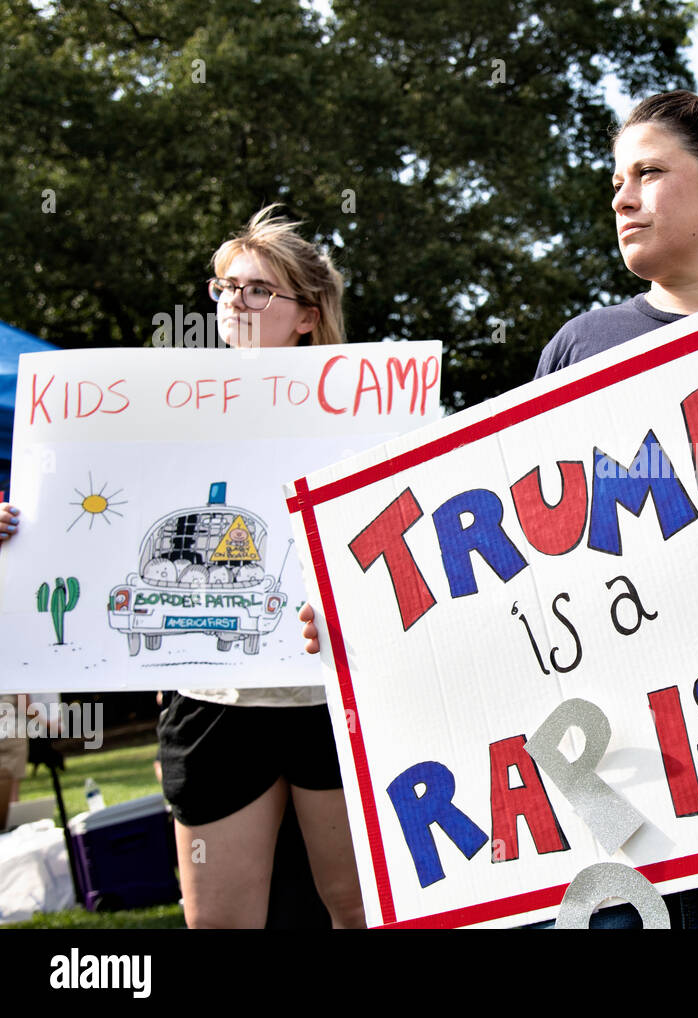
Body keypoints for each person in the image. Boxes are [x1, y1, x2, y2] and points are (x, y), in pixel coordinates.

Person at [300, 92, 698, 927]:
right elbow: (510, 568)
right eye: (616, 180)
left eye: (648, 173)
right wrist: (362, 617)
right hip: (622, 793)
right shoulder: (580, 349)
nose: (621, 198)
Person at [152, 208, 363, 928]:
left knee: (360, 910)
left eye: (255, 290)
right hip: (216, 700)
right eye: (222, 288)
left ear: (307, 315)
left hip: (331, 696)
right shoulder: (162, 411)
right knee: (220, 923)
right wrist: (25, 534)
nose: (232, 305)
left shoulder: (367, 413)